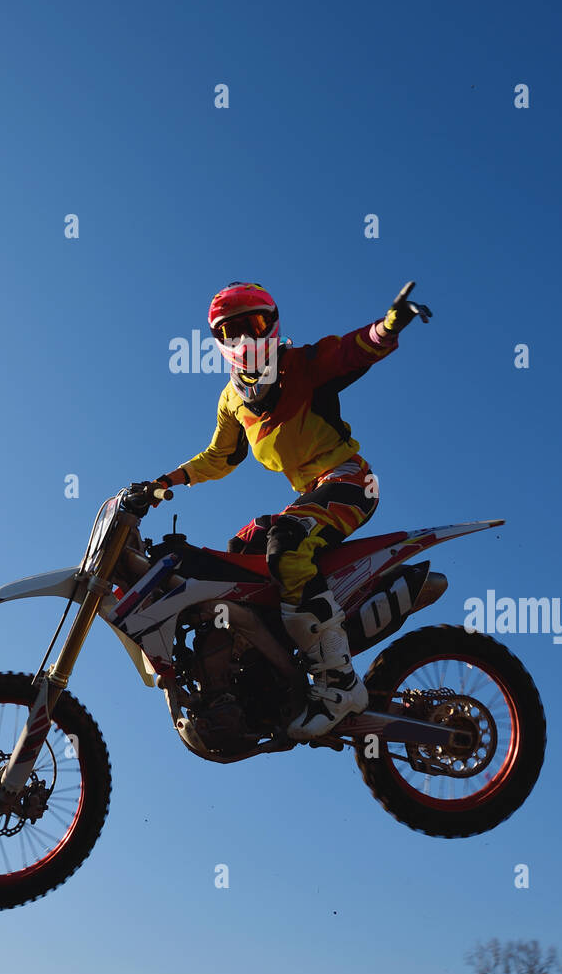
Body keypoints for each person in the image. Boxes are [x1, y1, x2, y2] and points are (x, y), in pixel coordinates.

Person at [140, 280, 431, 740]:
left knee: (286, 544)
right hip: (307, 494)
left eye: (253, 324)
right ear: (218, 341)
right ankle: (264, 665)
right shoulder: (233, 401)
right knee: (236, 553)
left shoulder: (303, 365)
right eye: (231, 330)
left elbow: (355, 350)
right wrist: (163, 483)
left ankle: (339, 683)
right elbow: (219, 457)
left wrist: (391, 323)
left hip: (350, 479)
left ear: (272, 325)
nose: (244, 339)